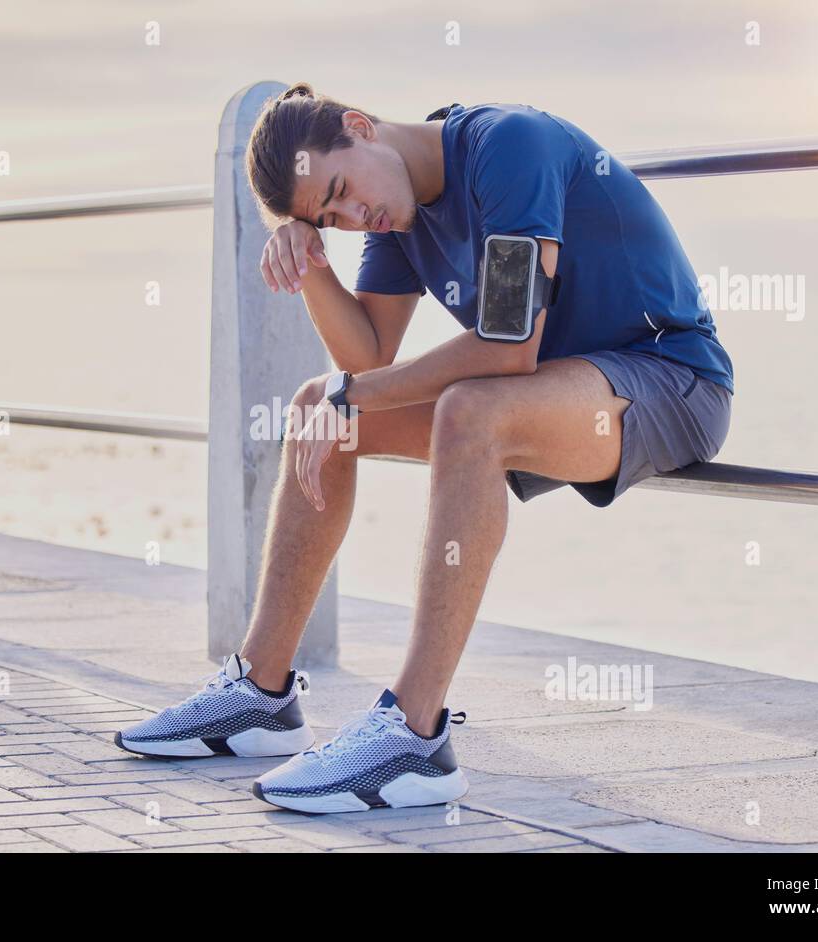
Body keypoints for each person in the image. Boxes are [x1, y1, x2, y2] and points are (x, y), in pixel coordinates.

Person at [115, 83, 734, 814]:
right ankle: (261, 692)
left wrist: (360, 392)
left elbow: (507, 343)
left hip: (667, 378)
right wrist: (310, 261)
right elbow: (369, 362)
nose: (354, 217)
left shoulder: (510, 148)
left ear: (359, 126)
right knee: (321, 409)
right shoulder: (396, 217)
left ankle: (415, 736)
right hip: (549, 391)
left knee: (465, 410)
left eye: (342, 193)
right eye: (331, 219)